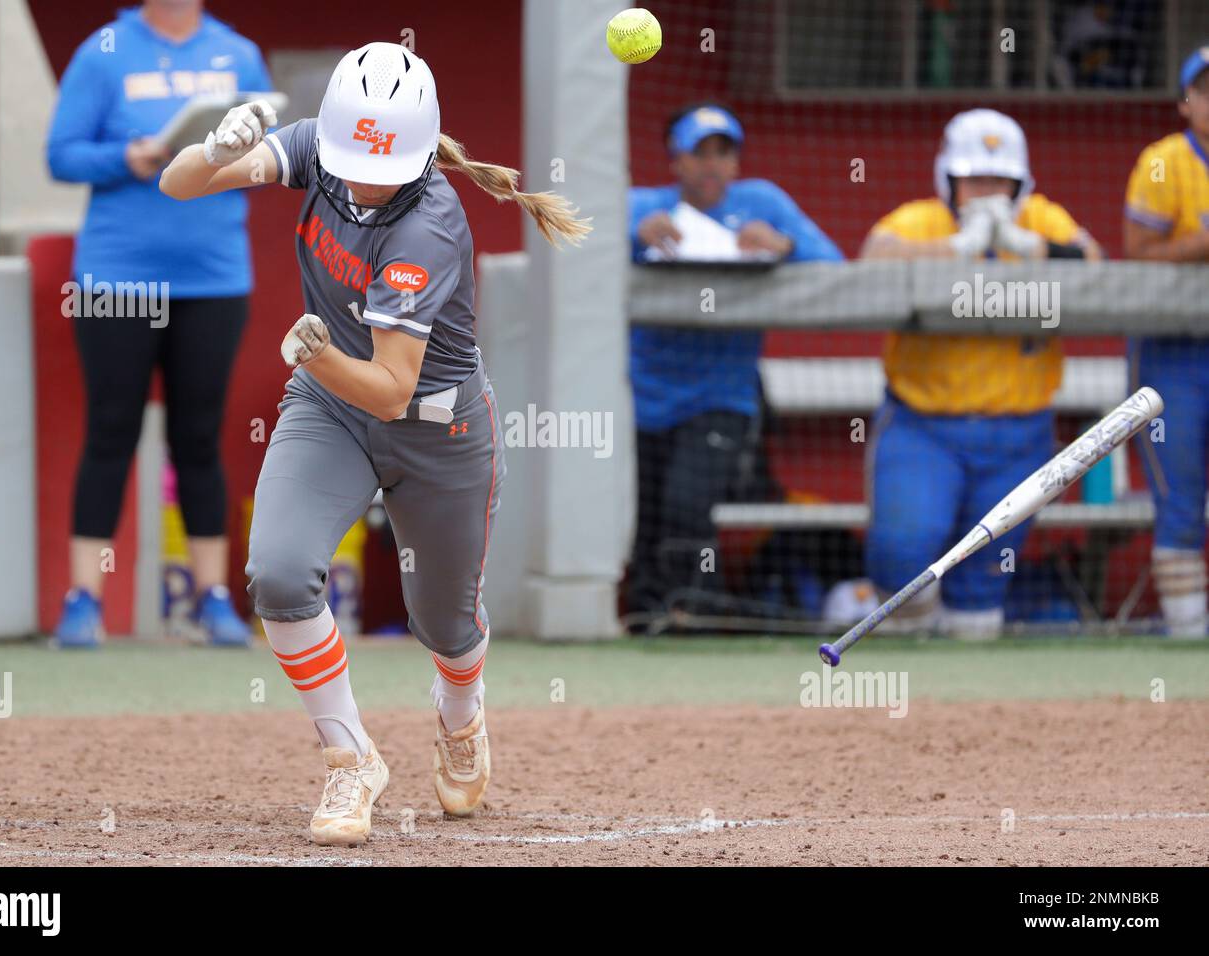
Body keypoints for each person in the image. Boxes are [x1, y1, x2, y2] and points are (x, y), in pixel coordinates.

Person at [160, 42, 589, 845]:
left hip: (437, 431)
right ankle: (350, 759)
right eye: (350, 157)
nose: (358, 177)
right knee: (281, 576)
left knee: (447, 627)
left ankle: (460, 717)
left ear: (419, 152)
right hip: (330, 409)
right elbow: (175, 185)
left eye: (377, 164)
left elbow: (392, 388)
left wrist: (318, 351)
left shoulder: (428, 226)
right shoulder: (321, 147)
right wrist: (214, 152)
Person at [46, 0, 270, 647]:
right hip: (118, 278)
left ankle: (214, 600)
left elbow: (268, 159)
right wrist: (130, 158)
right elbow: (62, 156)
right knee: (110, 431)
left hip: (214, 277)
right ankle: (84, 600)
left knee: (198, 437)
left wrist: (220, 158)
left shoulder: (238, 54)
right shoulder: (104, 51)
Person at [860, 108, 1102, 639]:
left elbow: (1094, 263)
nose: (987, 192)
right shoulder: (922, 220)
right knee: (903, 548)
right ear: (949, 179)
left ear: (1021, 183)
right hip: (924, 427)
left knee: (985, 584)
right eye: (974, 180)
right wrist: (956, 249)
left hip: (1019, 434)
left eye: (1000, 181)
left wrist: (1026, 246)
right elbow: (873, 258)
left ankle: (970, 712)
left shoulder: (1040, 219)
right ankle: (906, 671)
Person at [625, 103, 843, 626]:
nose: (712, 164)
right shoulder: (643, 205)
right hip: (641, 393)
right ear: (676, 160)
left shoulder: (762, 202)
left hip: (723, 395)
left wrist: (784, 245)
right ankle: (646, 615)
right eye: (699, 152)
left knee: (687, 504)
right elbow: (576, 244)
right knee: (646, 517)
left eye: (723, 152)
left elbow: (834, 266)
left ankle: (696, 614)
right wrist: (635, 235)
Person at [1123, 47, 1209, 639]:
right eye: (1206, 90)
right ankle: (1187, 634)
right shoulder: (1163, 163)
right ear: (1187, 102)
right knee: (1180, 495)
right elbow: (1138, 257)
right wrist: (1200, 244)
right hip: (1176, 350)